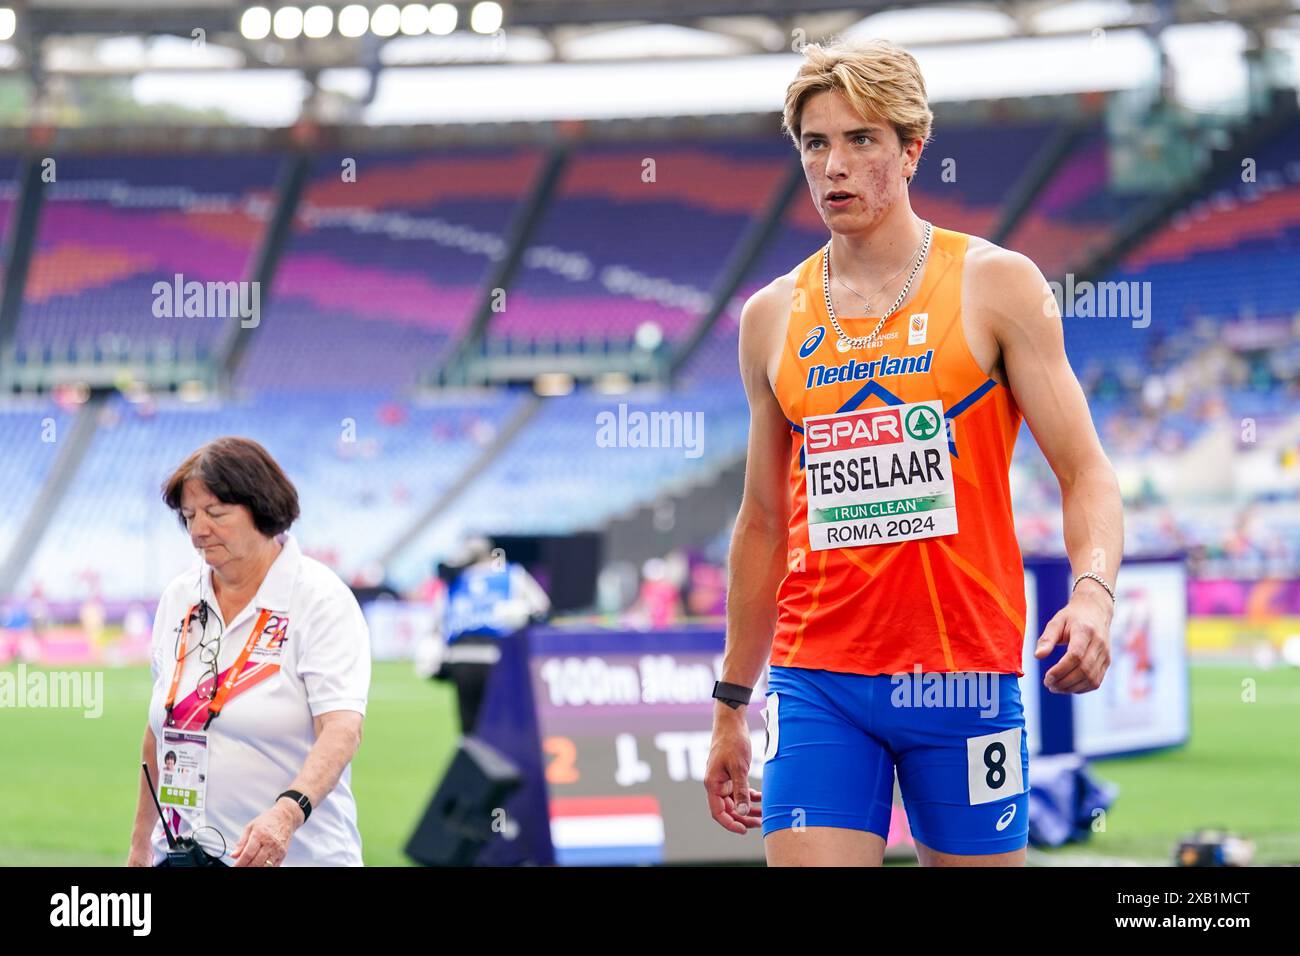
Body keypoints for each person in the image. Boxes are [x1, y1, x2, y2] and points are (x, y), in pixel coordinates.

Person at [704, 38, 1124, 867]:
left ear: (911, 150)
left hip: (965, 677)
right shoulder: (770, 316)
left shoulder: (997, 284)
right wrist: (730, 703)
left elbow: (1086, 473)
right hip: (817, 676)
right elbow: (761, 524)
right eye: (815, 144)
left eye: (861, 140)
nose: (835, 167)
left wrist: (1094, 596)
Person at [126, 436, 371, 867]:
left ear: (261, 509)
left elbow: (342, 728)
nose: (199, 529)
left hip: (298, 858)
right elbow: (158, 732)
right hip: (185, 857)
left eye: (216, 513)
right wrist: (141, 844)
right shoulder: (180, 597)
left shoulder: (319, 599)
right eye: (189, 516)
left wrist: (286, 813)